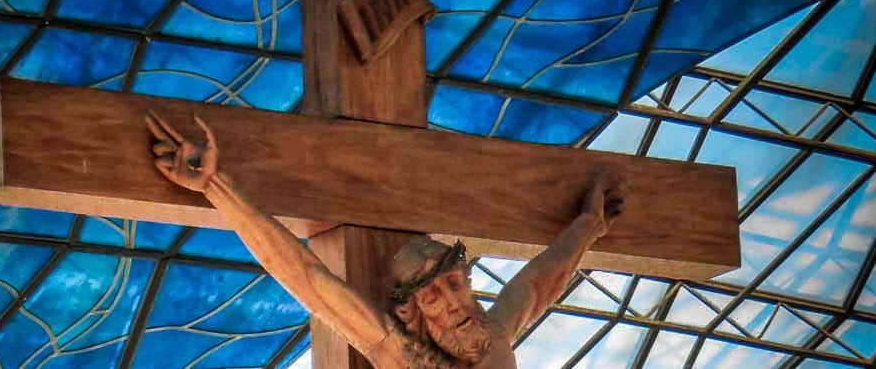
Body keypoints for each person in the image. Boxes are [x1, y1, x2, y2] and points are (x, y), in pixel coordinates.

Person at [145, 112, 627, 369]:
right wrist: (215, 186)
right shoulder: (402, 357)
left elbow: (539, 284)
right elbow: (308, 278)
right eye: (432, 299)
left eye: (454, 284)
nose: (454, 305)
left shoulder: (493, 337)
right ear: (412, 317)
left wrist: (590, 224)